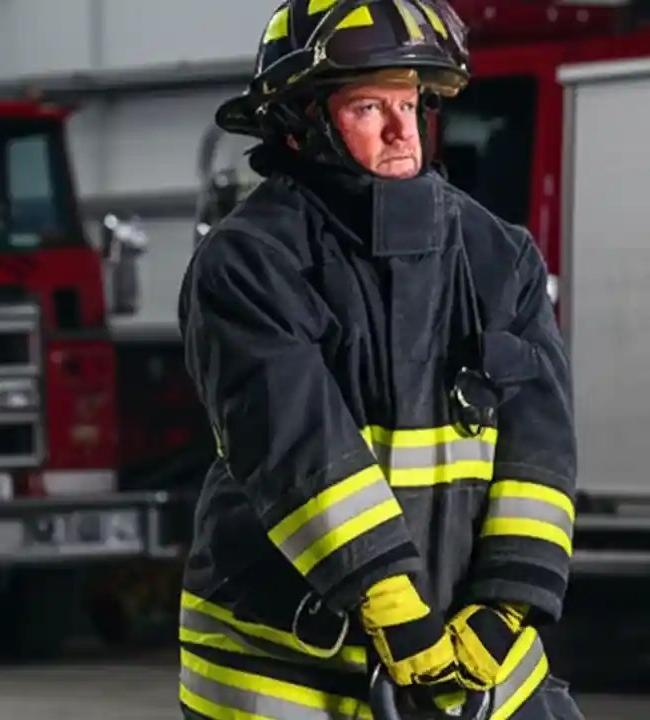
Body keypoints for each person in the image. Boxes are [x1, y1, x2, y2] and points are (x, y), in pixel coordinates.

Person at [175, 1, 581, 718]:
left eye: (410, 103)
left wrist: (505, 609)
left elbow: (539, 453)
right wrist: (393, 605)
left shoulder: (498, 255)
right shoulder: (249, 262)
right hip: (290, 668)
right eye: (369, 106)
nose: (403, 130)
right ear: (300, 122)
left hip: (478, 662)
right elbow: (298, 449)